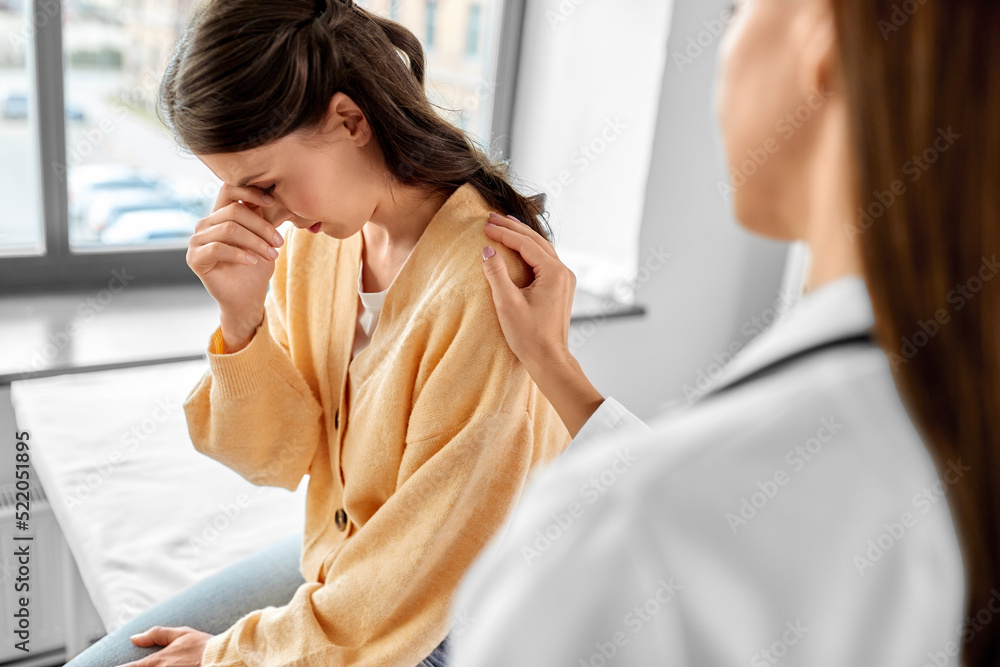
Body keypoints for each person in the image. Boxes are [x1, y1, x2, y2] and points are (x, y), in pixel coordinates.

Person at [453, 0, 999, 664]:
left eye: (740, 7)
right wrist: (550, 359)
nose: (723, 46)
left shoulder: (629, 543)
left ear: (823, 44)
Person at [63, 1, 571, 666]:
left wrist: (227, 656)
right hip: (355, 568)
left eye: (266, 183)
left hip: (462, 617)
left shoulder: (485, 282)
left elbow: (416, 581)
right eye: (238, 192)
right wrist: (241, 321)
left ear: (350, 120)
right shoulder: (325, 237)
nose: (261, 214)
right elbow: (276, 455)